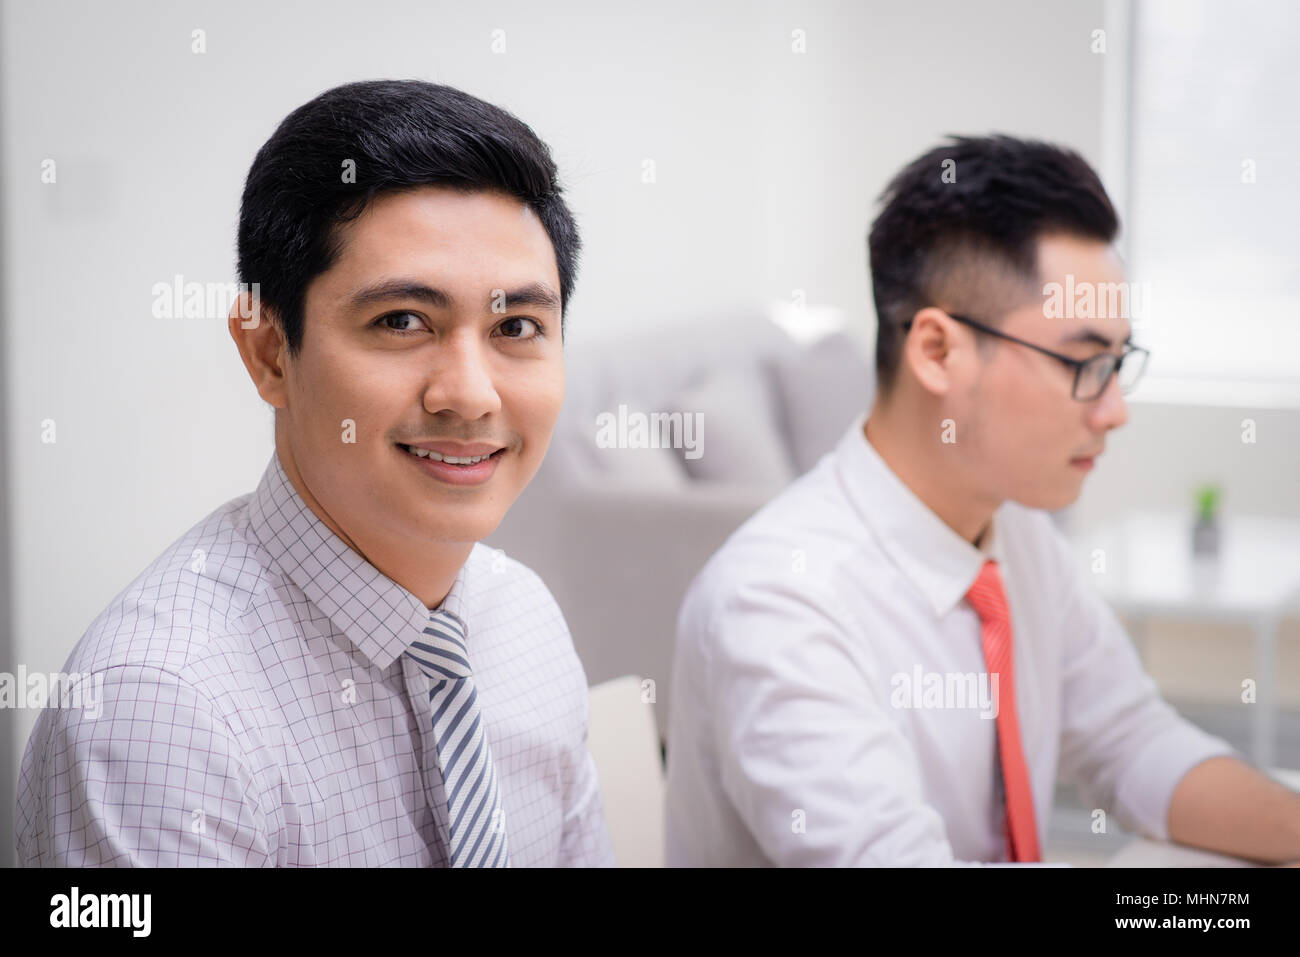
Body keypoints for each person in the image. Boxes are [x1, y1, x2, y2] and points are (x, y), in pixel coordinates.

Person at [16, 79, 615, 867]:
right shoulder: (158, 709)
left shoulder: (525, 622)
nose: (470, 394)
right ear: (269, 353)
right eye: (402, 321)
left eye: (517, 326)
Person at [664, 134, 1300, 866]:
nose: (1116, 408)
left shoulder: (1016, 534)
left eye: (1118, 363)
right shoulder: (780, 603)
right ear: (937, 351)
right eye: (1085, 362)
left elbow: (1133, 741)